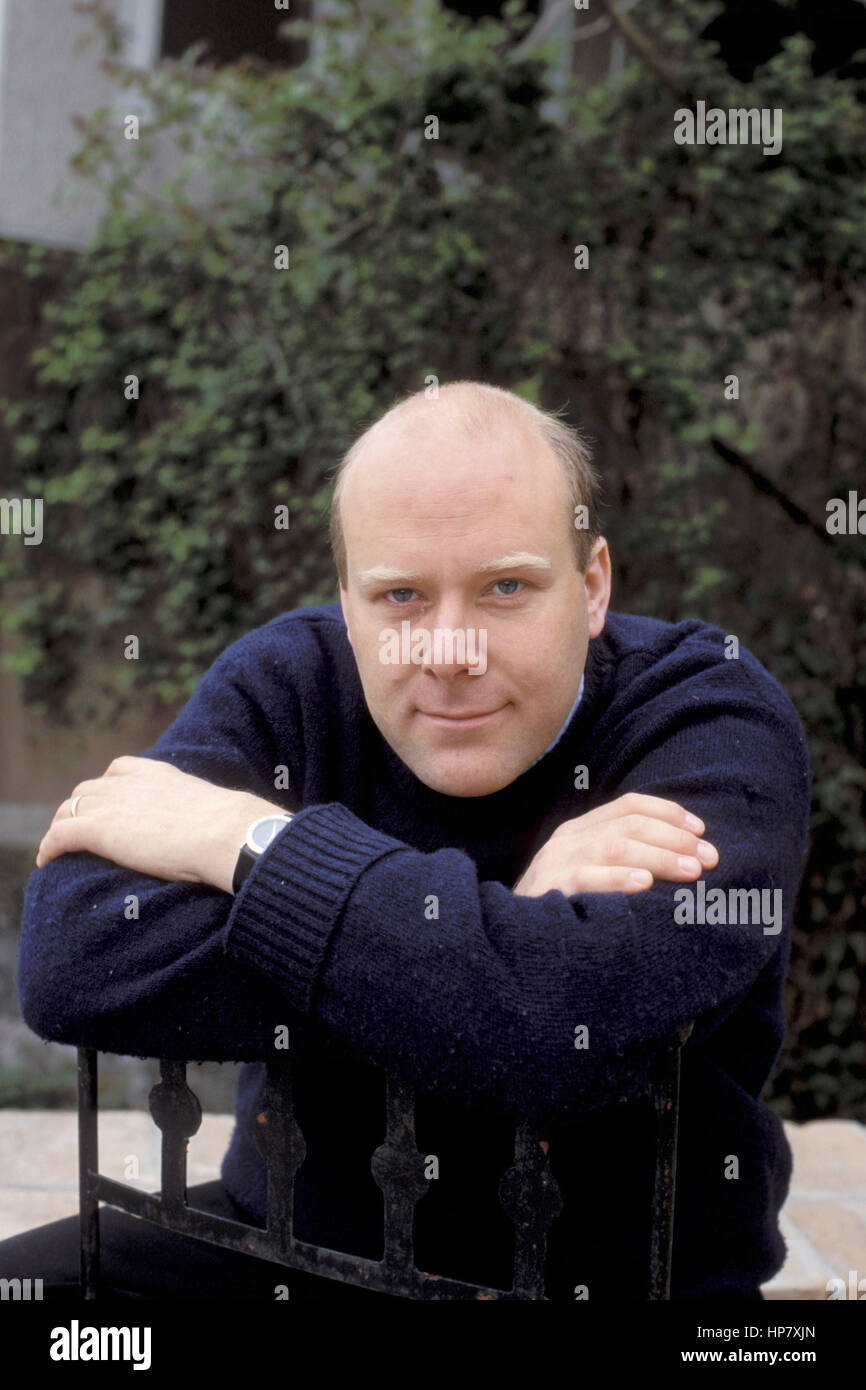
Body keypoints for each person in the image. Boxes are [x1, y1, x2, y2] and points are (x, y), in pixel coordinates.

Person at [4, 381, 809, 1301]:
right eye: (401, 596)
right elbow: (72, 957)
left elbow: (561, 1025)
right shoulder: (290, 684)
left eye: (506, 588)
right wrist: (503, 938)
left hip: (611, 1284)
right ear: (348, 606)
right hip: (287, 1249)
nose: (450, 651)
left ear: (591, 587)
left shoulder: (708, 714)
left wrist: (250, 843)